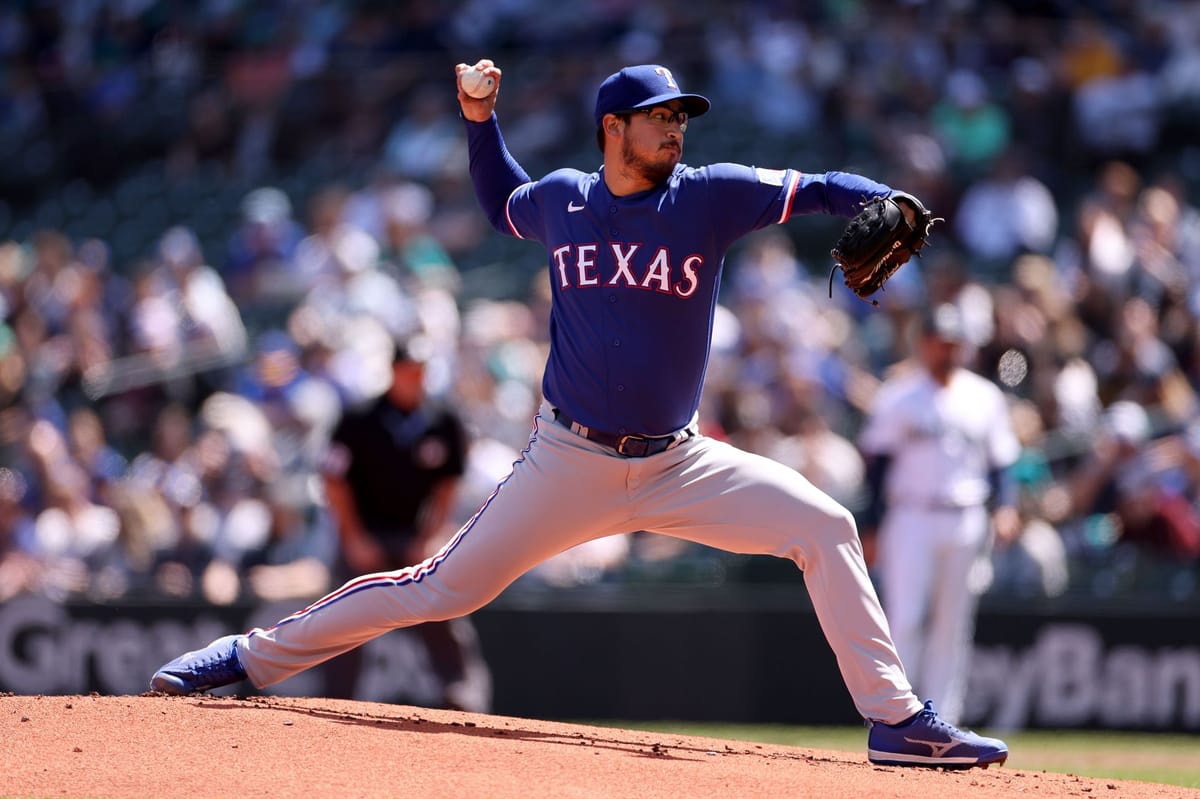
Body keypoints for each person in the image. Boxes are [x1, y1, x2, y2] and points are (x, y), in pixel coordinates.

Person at [150, 60, 1008, 769]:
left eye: (680, 117)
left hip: (681, 463)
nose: (675, 130)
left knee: (824, 525)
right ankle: (245, 658)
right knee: (441, 587)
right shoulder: (565, 199)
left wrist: (885, 194)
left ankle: (895, 721)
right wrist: (480, 120)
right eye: (657, 117)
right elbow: (498, 203)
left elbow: (821, 187)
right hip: (569, 459)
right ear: (614, 127)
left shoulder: (708, 194)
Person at [857, 304, 1021, 726]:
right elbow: (876, 466)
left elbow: (1001, 463)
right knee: (905, 617)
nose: (945, 349)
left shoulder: (984, 397)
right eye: (937, 341)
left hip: (966, 516)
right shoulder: (899, 396)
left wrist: (1005, 507)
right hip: (910, 514)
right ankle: (892, 716)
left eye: (952, 342)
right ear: (923, 344)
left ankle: (944, 719)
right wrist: (872, 525)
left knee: (953, 624)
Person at [318, 339, 489, 712]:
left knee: (442, 610)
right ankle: (332, 702)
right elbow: (333, 480)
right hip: (366, 534)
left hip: (414, 535)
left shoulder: (443, 419)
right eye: (408, 370)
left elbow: (448, 484)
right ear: (394, 371)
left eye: (421, 370)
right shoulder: (359, 418)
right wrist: (353, 538)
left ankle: (463, 698)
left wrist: (430, 537)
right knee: (344, 618)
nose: (415, 378)